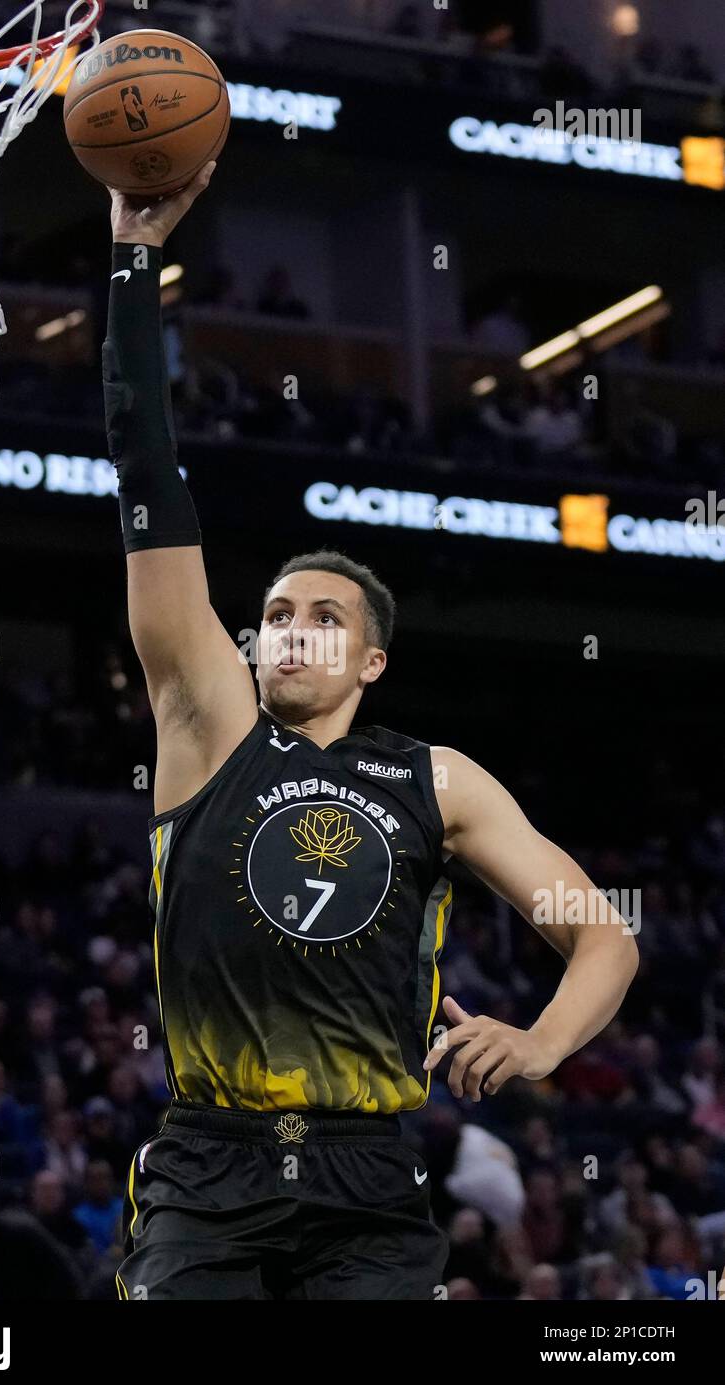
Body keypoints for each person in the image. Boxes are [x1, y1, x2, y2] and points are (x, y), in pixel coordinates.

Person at [103, 161, 639, 1300]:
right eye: (274, 616)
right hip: (209, 1169)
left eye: (322, 619)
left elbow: (603, 937)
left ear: (371, 659)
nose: (289, 633)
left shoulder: (434, 780)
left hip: (370, 1183)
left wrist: (540, 1042)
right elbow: (145, 461)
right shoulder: (205, 723)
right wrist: (132, 257)